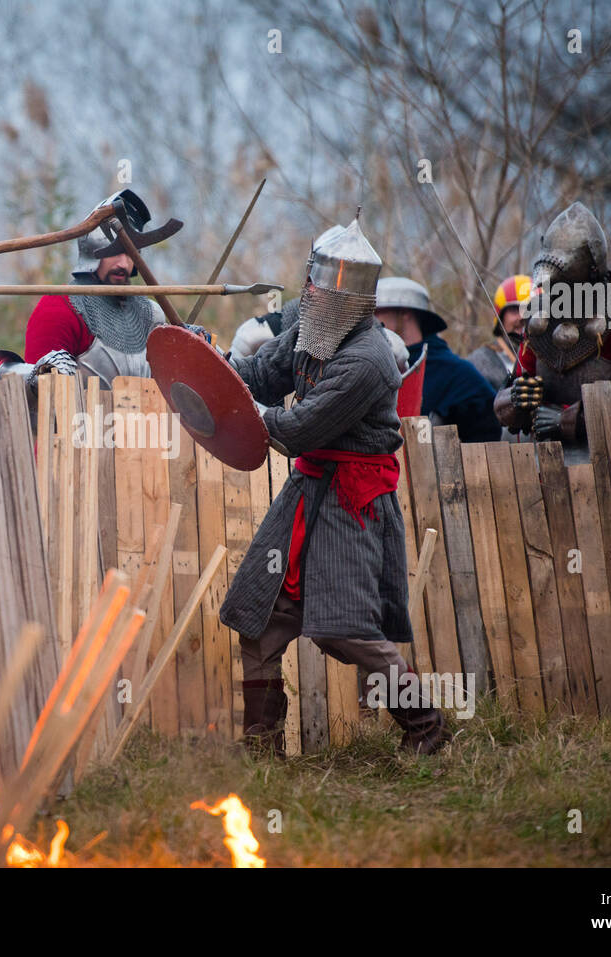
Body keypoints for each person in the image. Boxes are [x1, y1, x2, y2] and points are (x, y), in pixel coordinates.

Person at [219, 220, 448, 758]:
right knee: (260, 619)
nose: (316, 295)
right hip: (308, 492)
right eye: (314, 285)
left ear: (353, 298)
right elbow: (257, 373)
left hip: (353, 501)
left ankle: (426, 727)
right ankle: (263, 753)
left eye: (327, 290)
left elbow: (296, 430)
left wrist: (242, 406)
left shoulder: (369, 361)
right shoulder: (307, 326)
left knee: (344, 630)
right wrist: (213, 365)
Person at [493, 202, 611, 464]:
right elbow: (513, 403)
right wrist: (516, 399)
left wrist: (565, 420)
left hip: (608, 469)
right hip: (541, 466)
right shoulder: (540, 320)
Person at [22, 190, 202, 384]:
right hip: (77, 414)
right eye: (115, 252)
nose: (124, 264)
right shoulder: (59, 305)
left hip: (147, 415)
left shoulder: (151, 313)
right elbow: (34, 389)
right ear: (93, 252)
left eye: (130, 253)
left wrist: (194, 346)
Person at [375, 276, 500, 443]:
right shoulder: (373, 364)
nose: (371, 319)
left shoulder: (456, 374)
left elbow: (488, 441)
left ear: (404, 312)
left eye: (376, 311)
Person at [469, 274, 530, 392]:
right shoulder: (478, 364)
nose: (522, 317)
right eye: (514, 310)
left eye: (528, 310)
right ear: (500, 317)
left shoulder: (549, 362)